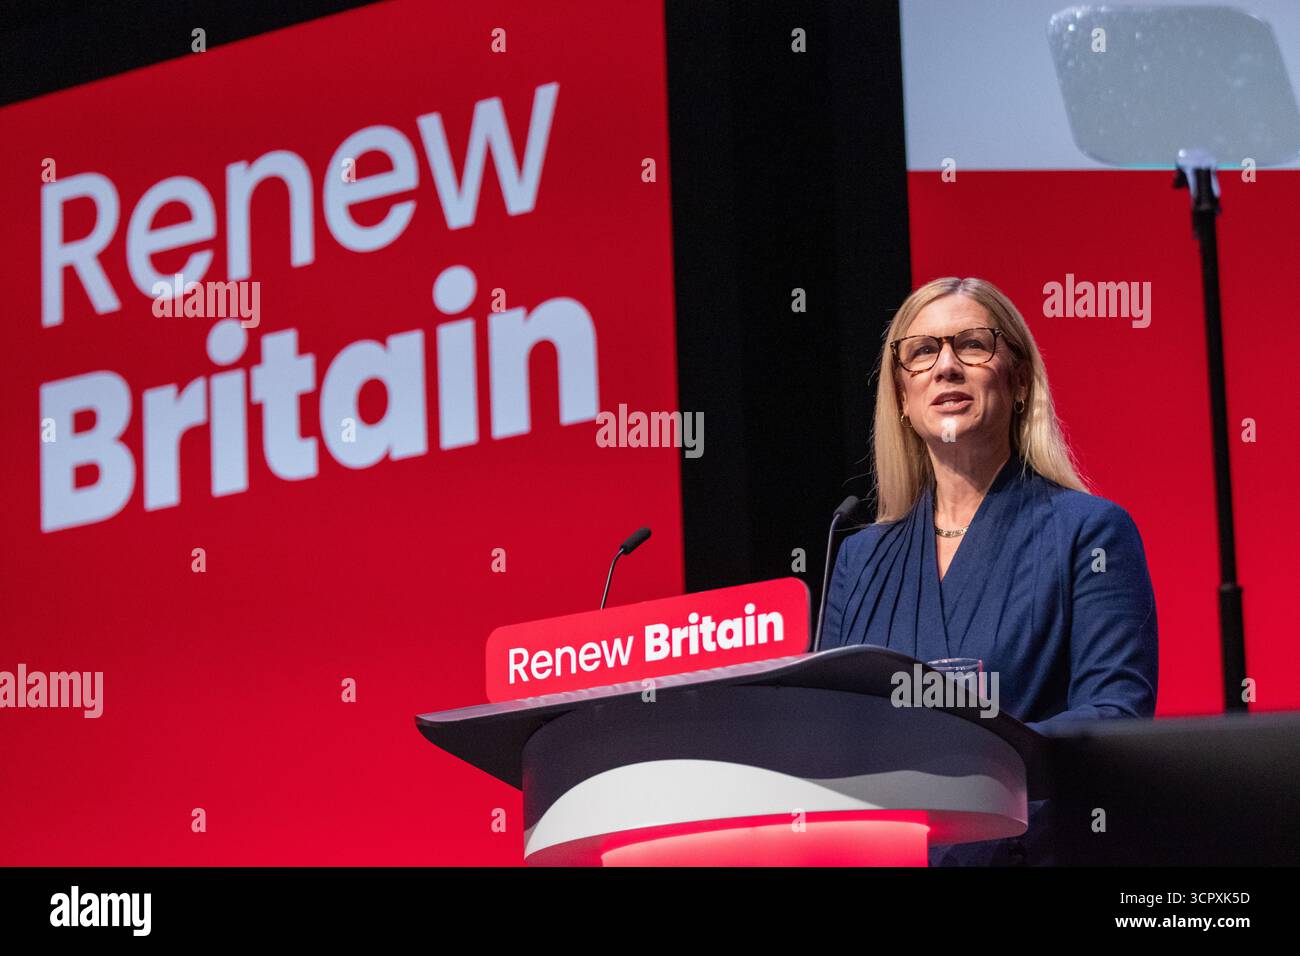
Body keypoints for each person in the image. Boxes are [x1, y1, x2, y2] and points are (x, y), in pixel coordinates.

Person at [820, 276, 1158, 866]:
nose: (945, 366)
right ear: (902, 396)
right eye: (922, 352)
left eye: (972, 344)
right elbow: (827, 732)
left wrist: (969, 762)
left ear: (1020, 380)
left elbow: (1114, 718)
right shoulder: (859, 557)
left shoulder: (1089, 531)